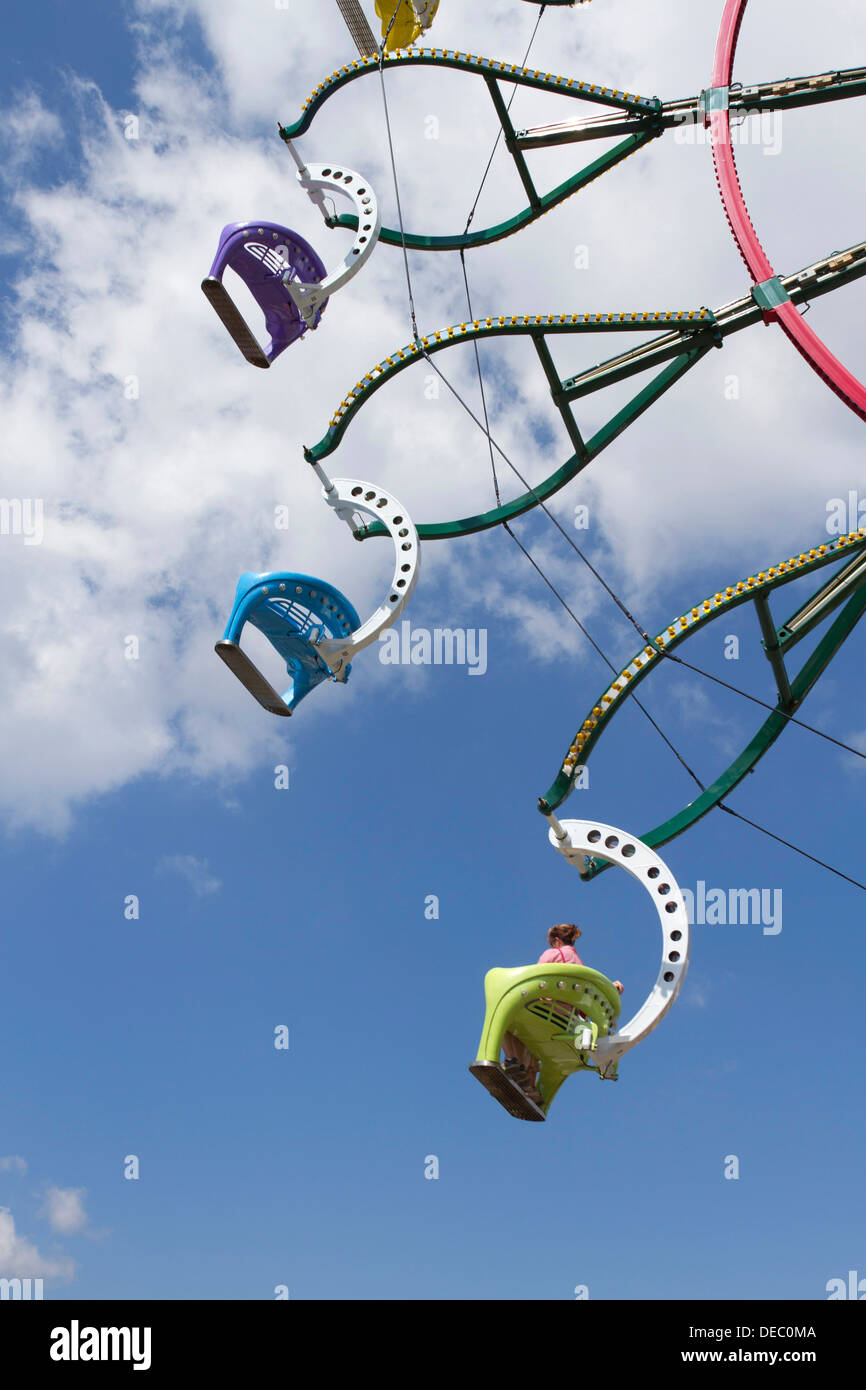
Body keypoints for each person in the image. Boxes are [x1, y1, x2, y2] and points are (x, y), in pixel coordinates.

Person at [502, 924, 624, 1105]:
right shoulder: (581, 968)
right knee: (531, 1041)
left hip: (548, 1014)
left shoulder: (552, 955)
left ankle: (515, 1062)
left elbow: (534, 981)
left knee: (507, 1015)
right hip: (570, 1023)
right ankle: (530, 1087)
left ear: (556, 941)